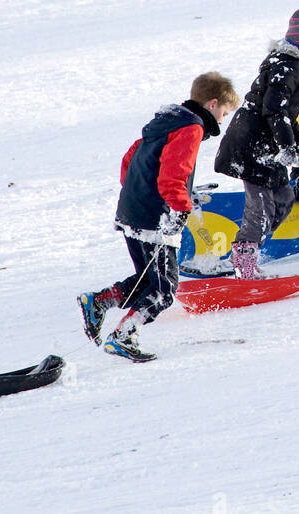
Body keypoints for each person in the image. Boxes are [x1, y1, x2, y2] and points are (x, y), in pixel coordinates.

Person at [78, 72, 239, 362]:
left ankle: (99, 302)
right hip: (155, 219)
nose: (223, 120)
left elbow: (128, 161)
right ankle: (124, 335)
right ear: (213, 104)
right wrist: (179, 208)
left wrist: (139, 195)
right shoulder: (191, 128)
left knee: (147, 279)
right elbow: (172, 177)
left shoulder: (164, 124)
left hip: (132, 211)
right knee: (164, 291)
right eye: (224, 113)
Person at [213, 8, 299, 280]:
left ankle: (240, 255)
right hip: (251, 147)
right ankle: (243, 266)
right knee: (260, 209)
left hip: (267, 147)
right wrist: (287, 147)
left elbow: (287, 116)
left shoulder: (295, 67)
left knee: (284, 199)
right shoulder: (285, 66)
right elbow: (275, 111)